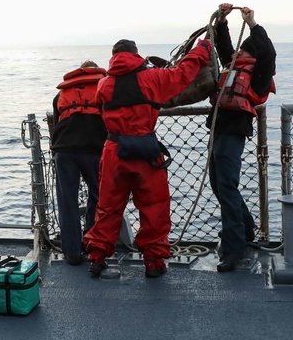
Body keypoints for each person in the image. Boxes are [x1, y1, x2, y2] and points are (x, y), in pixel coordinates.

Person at [83, 38, 212, 277]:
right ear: (136, 54)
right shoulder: (153, 78)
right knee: (154, 206)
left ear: (113, 56)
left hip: (114, 150)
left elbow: (100, 107)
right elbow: (183, 74)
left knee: (108, 206)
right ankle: (153, 262)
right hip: (145, 148)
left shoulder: (103, 84)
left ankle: (97, 257)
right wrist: (202, 49)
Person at [210, 5, 276, 272]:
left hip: (233, 131)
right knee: (219, 184)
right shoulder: (235, 64)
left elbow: (269, 51)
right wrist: (223, 21)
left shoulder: (259, 72)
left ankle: (234, 247)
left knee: (226, 186)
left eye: (242, 50)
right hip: (219, 130)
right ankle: (246, 229)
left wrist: (252, 23)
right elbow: (224, 47)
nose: (236, 53)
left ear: (251, 52)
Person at [50, 60, 107, 265]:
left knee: (68, 202)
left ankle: (72, 252)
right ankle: (91, 243)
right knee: (99, 197)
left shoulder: (61, 94)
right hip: (95, 150)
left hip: (64, 152)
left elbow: (58, 123)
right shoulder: (104, 87)